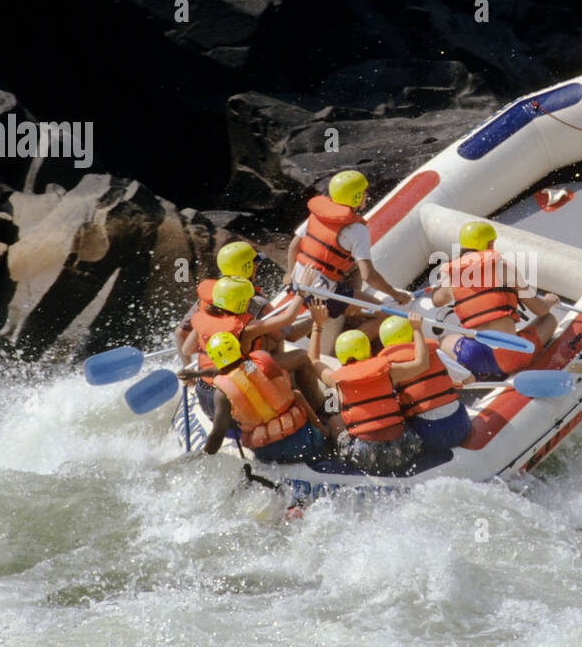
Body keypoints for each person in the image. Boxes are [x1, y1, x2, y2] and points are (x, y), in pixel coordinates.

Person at [307, 301, 426, 472]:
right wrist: (417, 329)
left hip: (366, 456)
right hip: (403, 449)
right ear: (369, 351)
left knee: (334, 420)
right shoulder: (387, 371)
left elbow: (313, 360)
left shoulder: (336, 380)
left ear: (340, 356)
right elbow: (421, 363)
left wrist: (317, 325)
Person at [432, 221, 560, 380]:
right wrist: (549, 300)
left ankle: (472, 374)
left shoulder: (450, 275)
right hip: (510, 356)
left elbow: (437, 300)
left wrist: (440, 280)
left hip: (474, 356)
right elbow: (540, 310)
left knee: (444, 341)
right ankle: (513, 364)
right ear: (490, 243)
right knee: (549, 319)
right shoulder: (503, 267)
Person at [179, 332, 329, 464]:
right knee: (297, 398)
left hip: (268, 452)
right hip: (304, 442)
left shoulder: (221, 393)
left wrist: (204, 455)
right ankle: (326, 442)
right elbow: (237, 365)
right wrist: (322, 429)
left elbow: (218, 433)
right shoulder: (263, 360)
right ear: (238, 347)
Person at [287, 170, 411, 320]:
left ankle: (352, 311)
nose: (366, 194)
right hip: (323, 297)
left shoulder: (319, 214)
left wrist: (289, 274)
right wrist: (395, 294)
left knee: (355, 268)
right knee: (384, 313)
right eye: (364, 192)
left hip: (297, 284)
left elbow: (293, 247)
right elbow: (369, 276)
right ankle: (356, 324)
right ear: (356, 197)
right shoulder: (358, 230)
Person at [181, 275, 308, 415]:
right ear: (240, 303)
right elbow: (287, 319)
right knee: (302, 357)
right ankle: (318, 406)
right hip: (233, 396)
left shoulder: (203, 318)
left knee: (266, 346)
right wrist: (302, 295)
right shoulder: (247, 327)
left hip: (205, 393)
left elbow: (187, 350)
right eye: (248, 301)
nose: (249, 304)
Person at [377, 315, 474, 450]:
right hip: (460, 424)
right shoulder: (435, 353)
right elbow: (469, 379)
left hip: (428, 432)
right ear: (411, 335)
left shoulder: (390, 369)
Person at [174, 240, 270, 356]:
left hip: (209, 366)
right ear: (247, 267)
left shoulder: (210, 294)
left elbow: (180, 333)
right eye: (255, 263)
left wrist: (188, 367)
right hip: (242, 367)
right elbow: (288, 334)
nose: (257, 266)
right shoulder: (257, 301)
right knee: (272, 340)